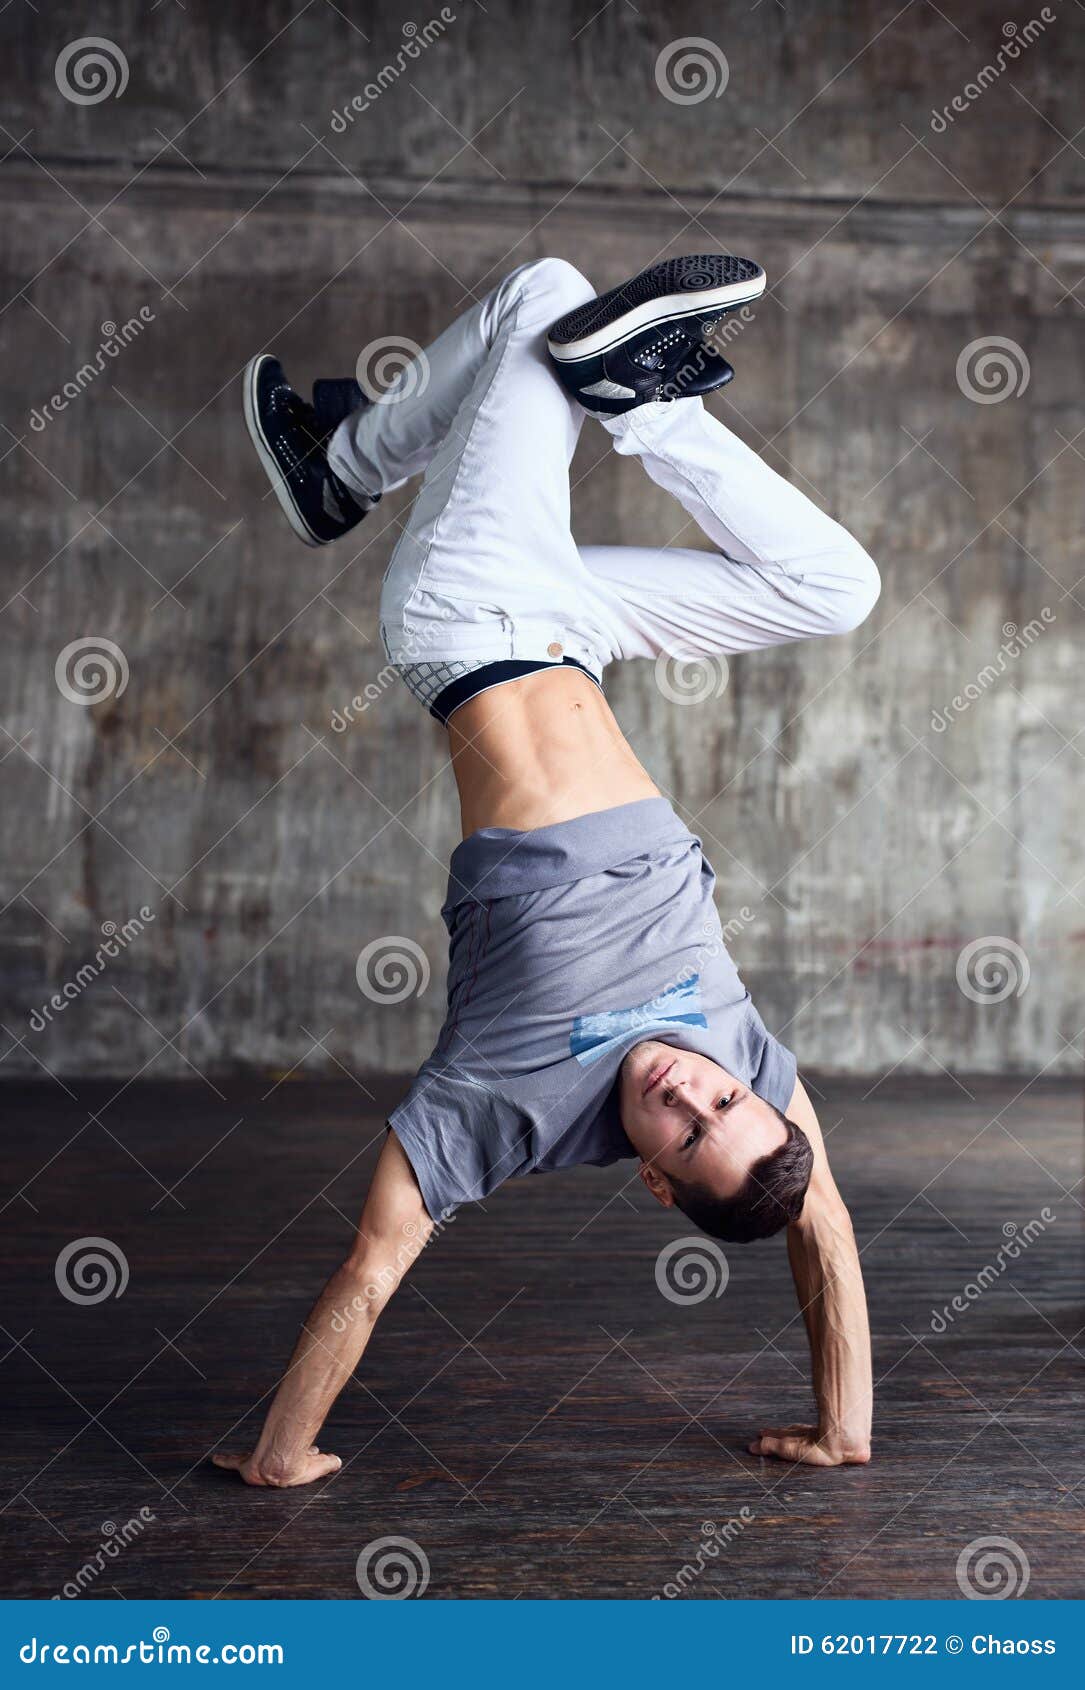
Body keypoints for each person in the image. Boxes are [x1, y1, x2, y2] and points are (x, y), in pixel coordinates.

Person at [216, 256, 876, 1489]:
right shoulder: (742, 1056)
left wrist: (281, 1452)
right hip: (581, 626)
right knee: (838, 588)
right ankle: (645, 404)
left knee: (546, 290)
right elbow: (823, 1233)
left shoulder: (509, 1106)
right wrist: (842, 1430)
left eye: (685, 1131)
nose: (693, 1093)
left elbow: (370, 1270)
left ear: (656, 1185)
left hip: (470, 622)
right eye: (723, 1104)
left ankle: (340, 470)